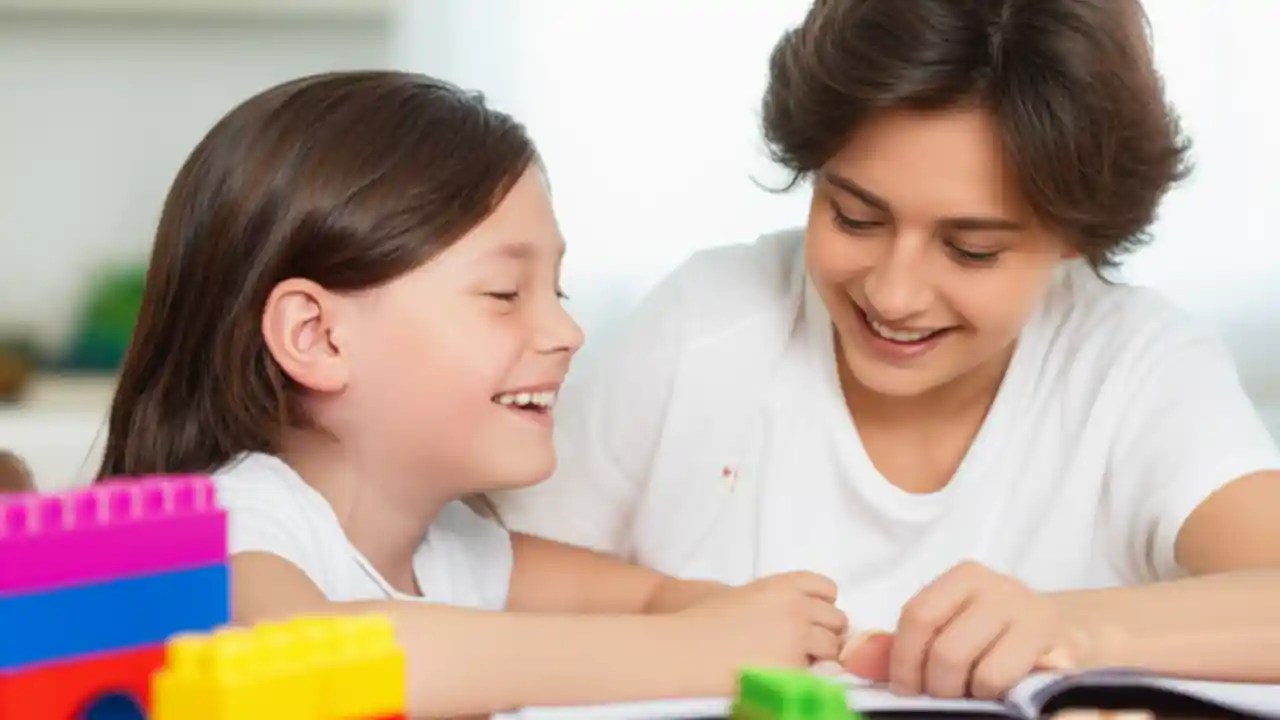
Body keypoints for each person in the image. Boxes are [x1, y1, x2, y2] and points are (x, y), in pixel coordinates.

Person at [493, 0, 1280, 700]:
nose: (895, 295)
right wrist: (676, 618)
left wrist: (1071, 630)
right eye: (855, 218)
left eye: (971, 250)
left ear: (1077, 236)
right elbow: (474, 578)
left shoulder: (1133, 366)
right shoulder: (708, 324)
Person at [95, 71, 848, 718]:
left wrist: (769, 628)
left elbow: (659, 602)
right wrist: (698, 650)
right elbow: (304, 658)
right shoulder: (226, 525)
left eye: (557, 290)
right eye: (504, 293)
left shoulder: (458, 555)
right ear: (318, 337)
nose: (567, 331)